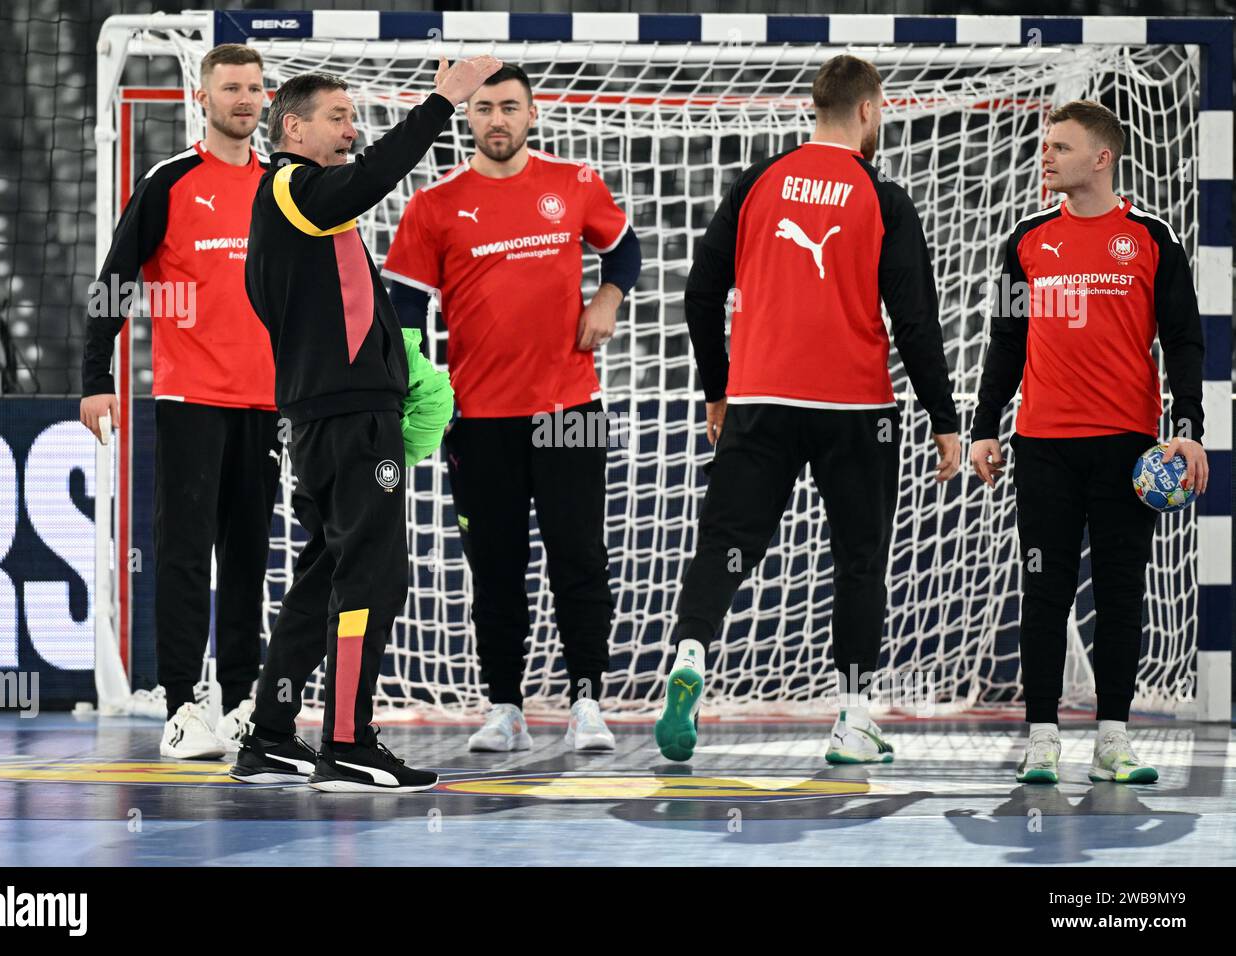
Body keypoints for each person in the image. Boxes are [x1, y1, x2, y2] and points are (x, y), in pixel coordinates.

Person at [656, 54, 960, 763]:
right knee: (858, 559)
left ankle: (691, 656)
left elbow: (700, 294)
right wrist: (943, 419)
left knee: (726, 546)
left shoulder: (758, 183)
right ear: (868, 109)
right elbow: (915, 320)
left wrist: (717, 388)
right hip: (854, 407)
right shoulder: (881, 198)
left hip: (761, 400)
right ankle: (853, 720)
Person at [228, 56, 498, 793]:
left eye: (354, 117)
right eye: (338, 117)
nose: (352, 130)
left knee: (326, 573)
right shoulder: (292, 189)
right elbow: (371, 177)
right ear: (293, 128)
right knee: (373, 575)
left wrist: (399, 372)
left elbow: (335, 304)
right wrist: (440, 103)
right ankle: (347, 741)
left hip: (336, 418)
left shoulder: (309, 211)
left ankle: (271, 735)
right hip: (346, 422)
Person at [382, 64, 641, 753]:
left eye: (509, 108)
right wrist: (414, 379)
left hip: (571, 410)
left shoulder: (574, 184)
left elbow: (624, 251)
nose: (497, 120)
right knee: (495, 567)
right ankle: (506, 708)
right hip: (480, 418)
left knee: (579, 559)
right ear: (468, 118)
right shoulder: (434, 206)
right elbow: (403, 308)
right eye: (484, 108)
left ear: (533, 114)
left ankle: (589, 702)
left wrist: (609, 298)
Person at [970, 100, 1207, 785]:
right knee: (1043, 590)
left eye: (1061, 147)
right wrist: (987, 426)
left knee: (1122, 593)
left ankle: (1112, 740)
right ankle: (1042, 738)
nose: (1046, 156)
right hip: (1041, 447)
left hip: (1129, 451)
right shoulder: (1026, 240)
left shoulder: (1153, 238)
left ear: (1102, 158)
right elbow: (1005, 343)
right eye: (1046, 145)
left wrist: (1186, 431)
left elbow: (1185, 343)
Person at [80, 44, 279, 759]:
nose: (246, 99)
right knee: (187, 554)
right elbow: (114, 281)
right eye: (231, 88)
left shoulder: (285, 185)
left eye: (255, 88)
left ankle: (244, 701)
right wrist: (94, 379)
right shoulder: (170, 182)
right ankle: (182, 708)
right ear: (203, 98)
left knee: (251, 555)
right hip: (191, 399)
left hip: (268, 405)